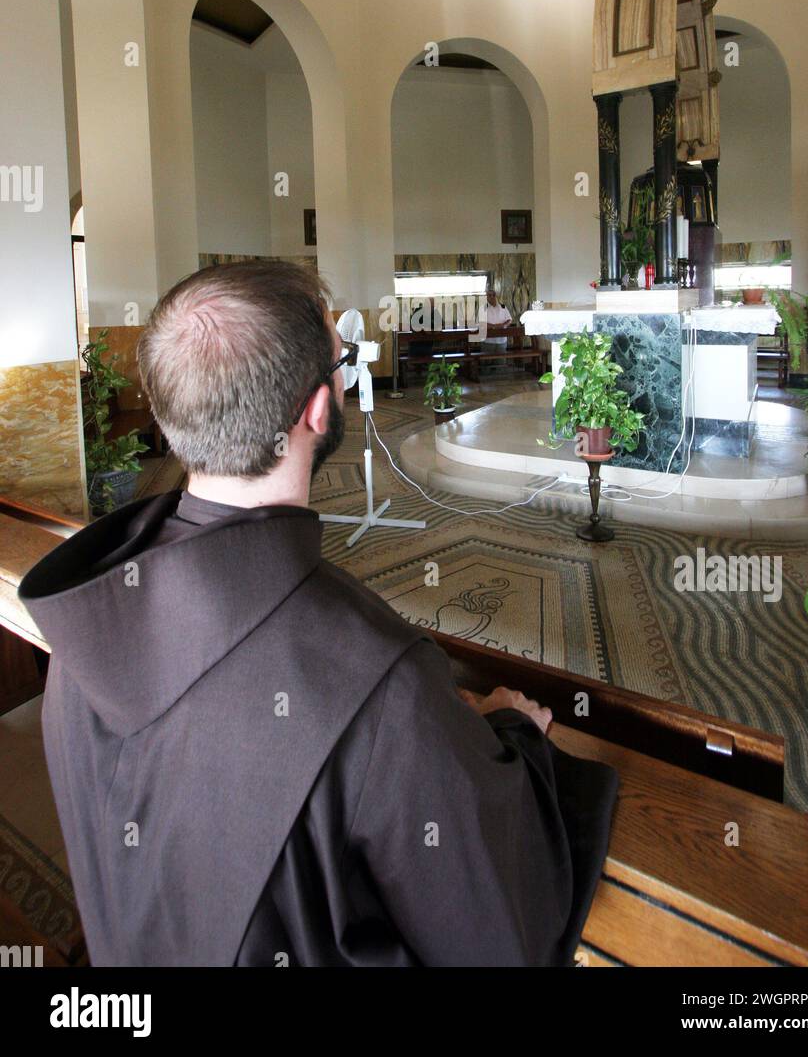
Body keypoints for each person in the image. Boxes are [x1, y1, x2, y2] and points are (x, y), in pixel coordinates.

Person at [21, 262, 617, 967]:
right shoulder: (381, 689)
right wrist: (516, 731)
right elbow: (498, 932)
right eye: (342, 360)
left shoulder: (84, 624)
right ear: (315, 408)